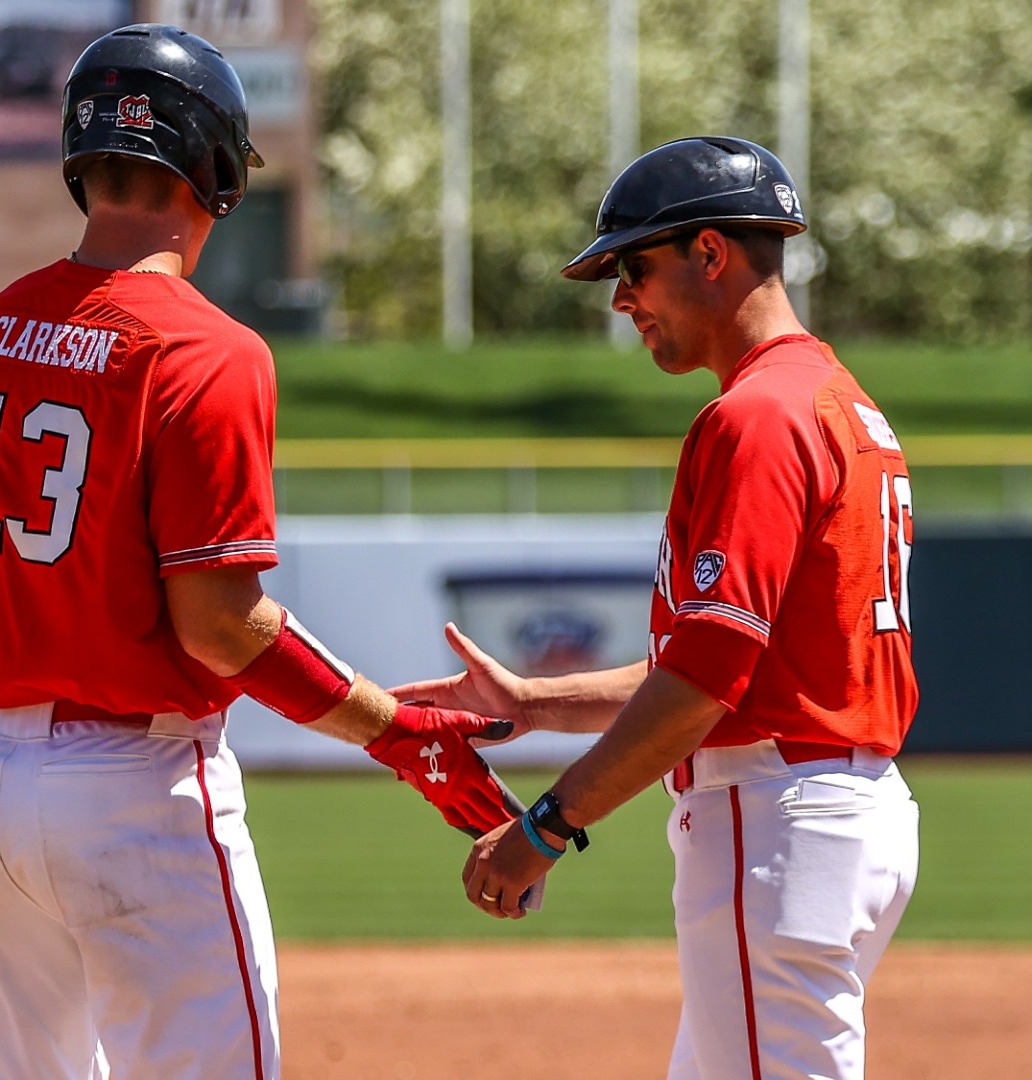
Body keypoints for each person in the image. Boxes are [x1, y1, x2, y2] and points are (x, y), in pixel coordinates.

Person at [0, 24, 518, 1080]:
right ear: (215, 169)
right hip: (139, 788)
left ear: (80, 161)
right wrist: (396, 732)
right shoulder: (206, 351)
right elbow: (221, 625)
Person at [394, 138, 920, 1080]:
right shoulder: (835, 402)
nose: (621, 299)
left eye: (634, 268)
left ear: (709, 253)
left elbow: (706, 682)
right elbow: (727, 662)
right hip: (828, 810)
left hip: (774, 822)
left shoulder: (757, 417)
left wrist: (545, 827)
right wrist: (532, 702)